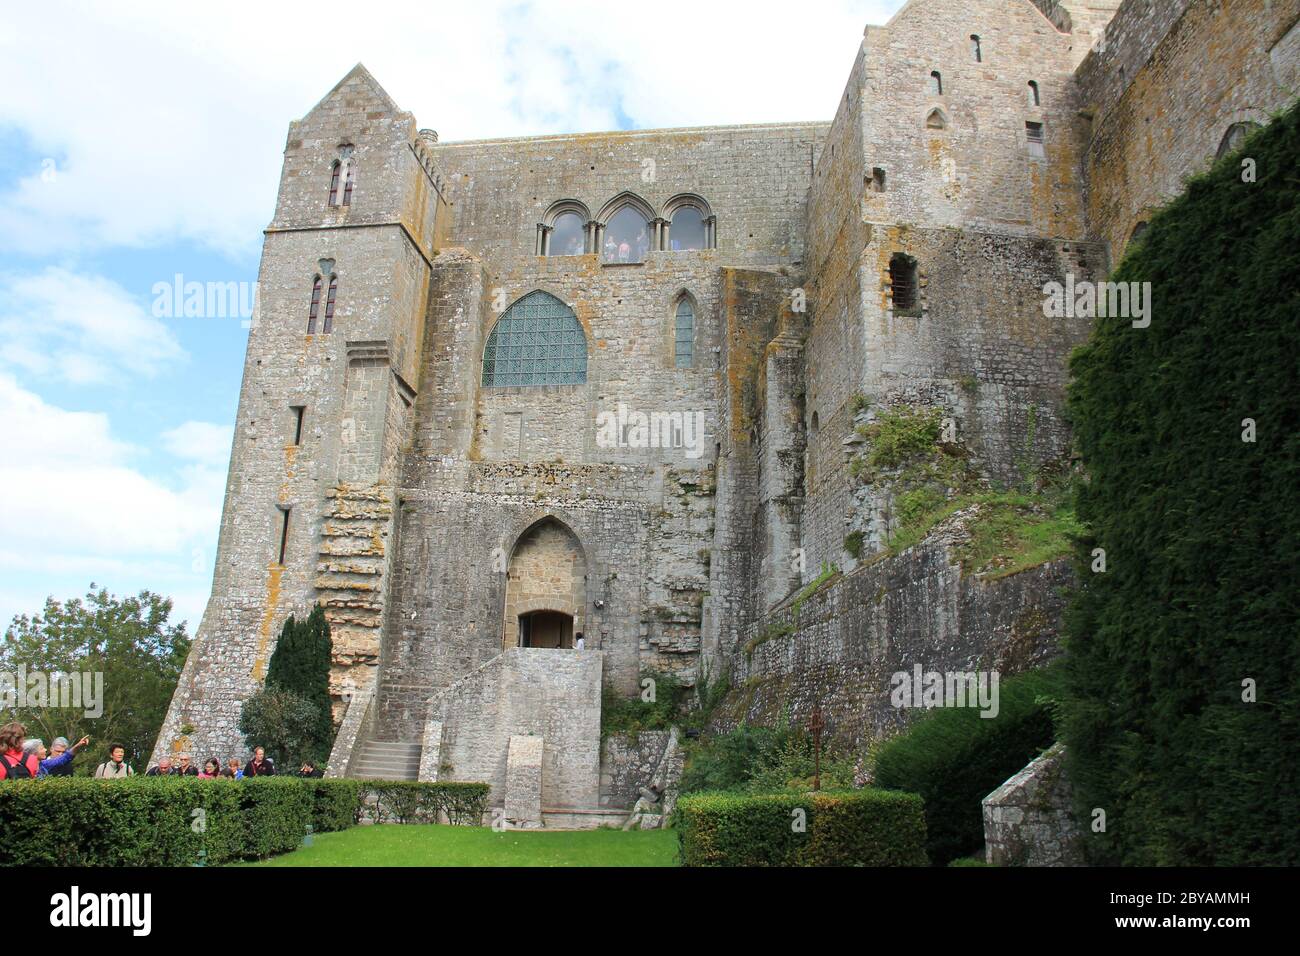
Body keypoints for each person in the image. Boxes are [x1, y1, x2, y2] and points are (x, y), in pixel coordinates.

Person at [24, 735, 90, 777]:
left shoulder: (44, 764)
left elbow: (65, 758)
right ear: (33, 753)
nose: (45, 750)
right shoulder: (23, 768)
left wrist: (78, 745)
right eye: (42, 748)